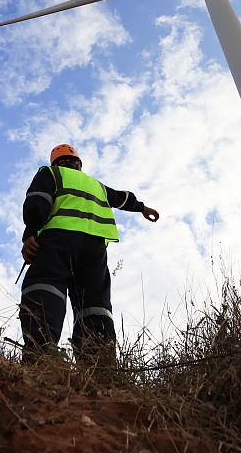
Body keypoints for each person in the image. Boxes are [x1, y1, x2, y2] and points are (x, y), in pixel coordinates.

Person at [18, 143, 159, 365]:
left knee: (46, 286)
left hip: (59, 239)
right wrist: (143, 208)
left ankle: (41, 353)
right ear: (79, 164)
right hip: (95, 248)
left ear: (55, 162)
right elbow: (122, 198)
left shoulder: (51, 173)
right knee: (94, 304)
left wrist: (31, 233)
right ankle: (100, 366)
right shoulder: (96, 185)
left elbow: (38, 199)